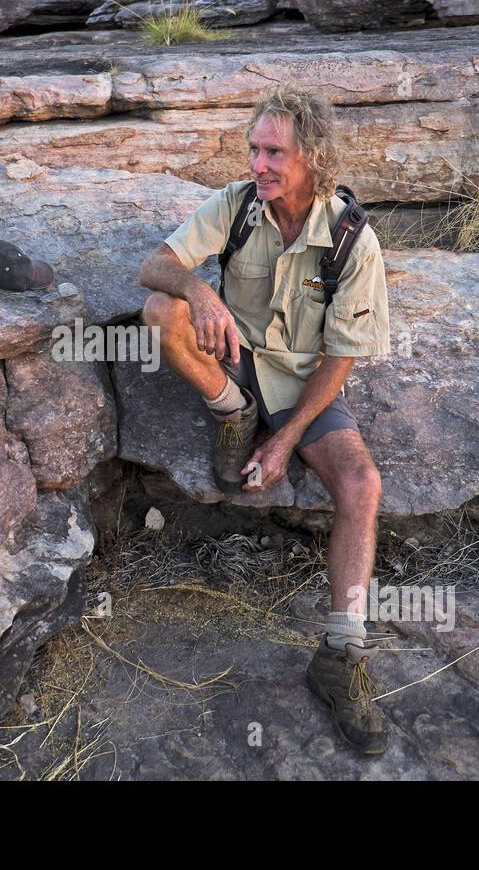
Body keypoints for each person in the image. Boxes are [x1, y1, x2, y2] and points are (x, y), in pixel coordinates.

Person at [137, 83, 393, 754]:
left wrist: (283, 442)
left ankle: (342, 658)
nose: (259, 164)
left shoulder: (350, 239)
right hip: (239, 362)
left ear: (313, 156)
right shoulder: (238, 205)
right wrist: (199, 291)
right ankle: (230, 414)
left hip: (306, 384)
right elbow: (154, 265)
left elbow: (341, 357)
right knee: (161, 314)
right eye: (254, 148)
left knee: (362, 485)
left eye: (274, 151)